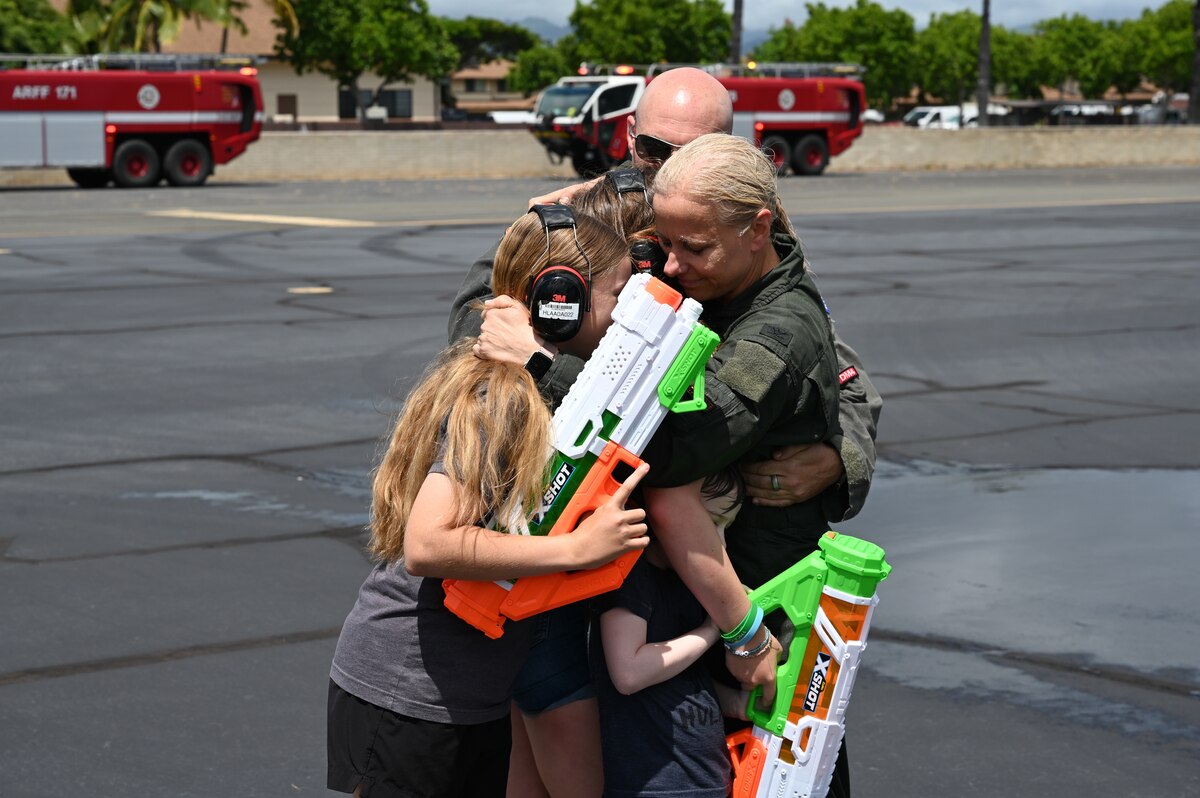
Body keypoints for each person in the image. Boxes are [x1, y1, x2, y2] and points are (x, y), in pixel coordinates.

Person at [451, 66, 880, 529]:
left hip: (694, 517)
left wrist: (841, 459)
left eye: (692, 151)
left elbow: (836, 374)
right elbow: (477, 331)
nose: (668, 168)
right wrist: (532, 233)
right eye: (655, 150)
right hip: (575, 493)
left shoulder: (741, 230)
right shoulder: (593, 211)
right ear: (631, 135)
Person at [327, 209, 651, 798]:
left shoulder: (528, 385)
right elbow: (429, 544)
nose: (628, 310)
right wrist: (575, 548)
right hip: (410, 694)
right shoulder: (503, 398)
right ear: (563, 298)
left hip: (453, 693)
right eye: (617, 292)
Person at [641, 132, 856, 797]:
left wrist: (557, 373)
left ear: (758, 229)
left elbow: (679, 449)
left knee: (779, 775)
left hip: (763, 615)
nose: (671, 268)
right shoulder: (724, 284)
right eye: (664, 245)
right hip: (713, 606)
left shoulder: (777, 330)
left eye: (694, 248)